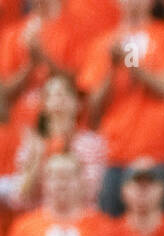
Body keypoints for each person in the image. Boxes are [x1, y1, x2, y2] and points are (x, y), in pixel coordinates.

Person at [78, 0, 164, 216]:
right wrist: (113, 69)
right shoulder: (102, 44)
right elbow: (93, 108)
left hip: (157, 151)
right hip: (114, 154)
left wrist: (132, 65)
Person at [0, 0, 82, 130]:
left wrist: (43, 58)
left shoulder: (76, 30)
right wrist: (30, 64)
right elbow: (4, 91)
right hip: (20, 127)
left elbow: (78, 86)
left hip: (61, 128)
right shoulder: (11, 34)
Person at [7, 71, 106, 211]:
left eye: (65, 93)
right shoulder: (34, 143)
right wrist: (38, 157)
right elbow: (18, 197)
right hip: (40, 219)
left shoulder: (91, 142)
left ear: (78, 104)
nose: (59, 98)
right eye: (52, 95)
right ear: (44, 105)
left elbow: (91, 192)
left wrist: (66, 150)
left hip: (79, 218)